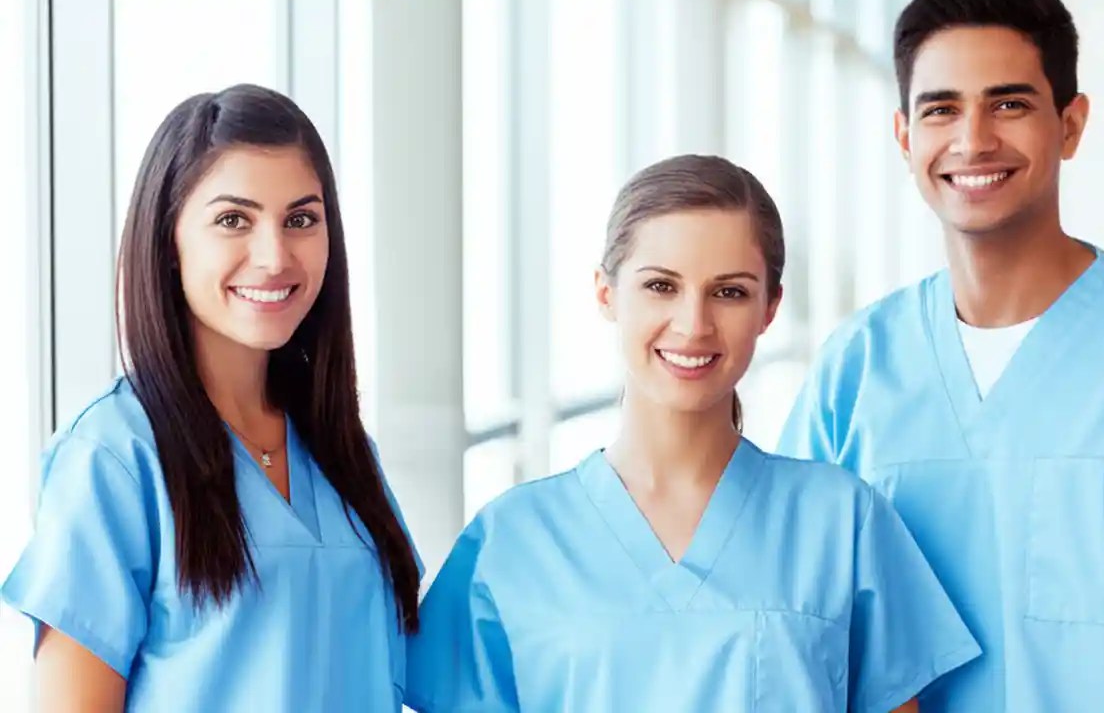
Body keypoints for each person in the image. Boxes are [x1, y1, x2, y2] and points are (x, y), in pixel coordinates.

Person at [777, 0, 1104, 711]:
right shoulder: (854, 369)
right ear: (904, 136)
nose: (973, 140)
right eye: (941, 109)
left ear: (1070, 125)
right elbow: (806, 624)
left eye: (1009, 104)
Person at [405, 154, 980, 713]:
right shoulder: (513, 539)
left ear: (770, 308)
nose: (693, 325)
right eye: (661, 286)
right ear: (606, 293)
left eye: (729, 292)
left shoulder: (842, 521)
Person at [2, 83, 422, 711]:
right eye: (233, 220)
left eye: (300, 220)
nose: (274, 256)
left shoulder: (341, 450)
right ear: (169, 242)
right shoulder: (113, 458)